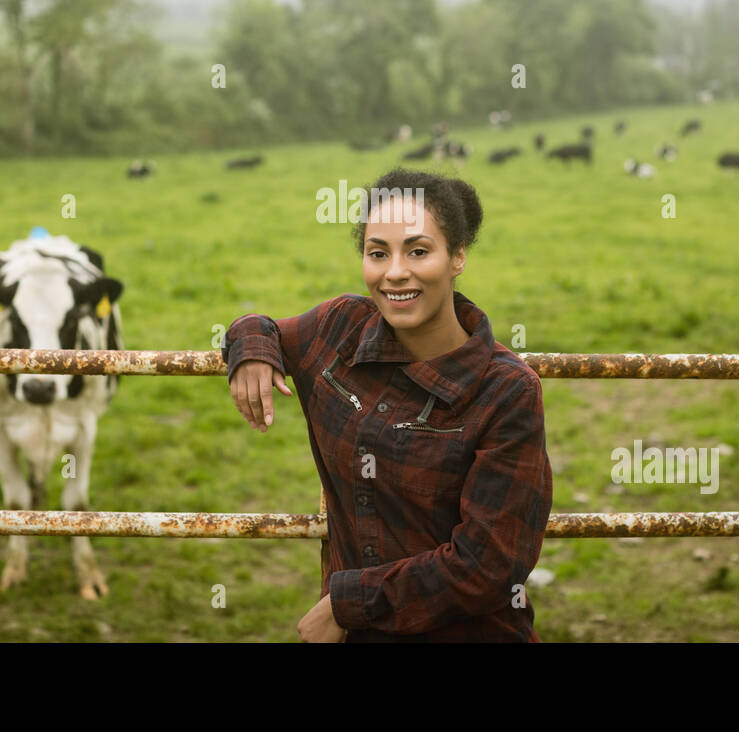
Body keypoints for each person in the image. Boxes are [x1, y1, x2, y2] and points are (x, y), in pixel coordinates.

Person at [222, 167, 553, 641]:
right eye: (378, 253)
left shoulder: (506, 391)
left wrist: (348, 604)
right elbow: (261, 325)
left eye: (418, 251)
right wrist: (251, 348)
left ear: (457, 256)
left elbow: (488, 566)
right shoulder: (340, 328)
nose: (395, 272)